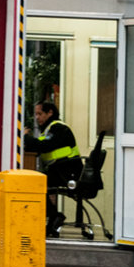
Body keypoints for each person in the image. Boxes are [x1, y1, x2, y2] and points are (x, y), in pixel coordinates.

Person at [24, 101, 82, 237]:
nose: (37, 117)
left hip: (68, 173)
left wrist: (26, 136)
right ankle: (53, 219)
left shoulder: (58, 128)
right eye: (36, 114)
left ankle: (54, 216)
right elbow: (39, 146)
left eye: (39, 114)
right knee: (35, 181)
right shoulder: (50, 129)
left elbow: (44, 145)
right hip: (61, 171)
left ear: (50, 113)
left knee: (34, 183)